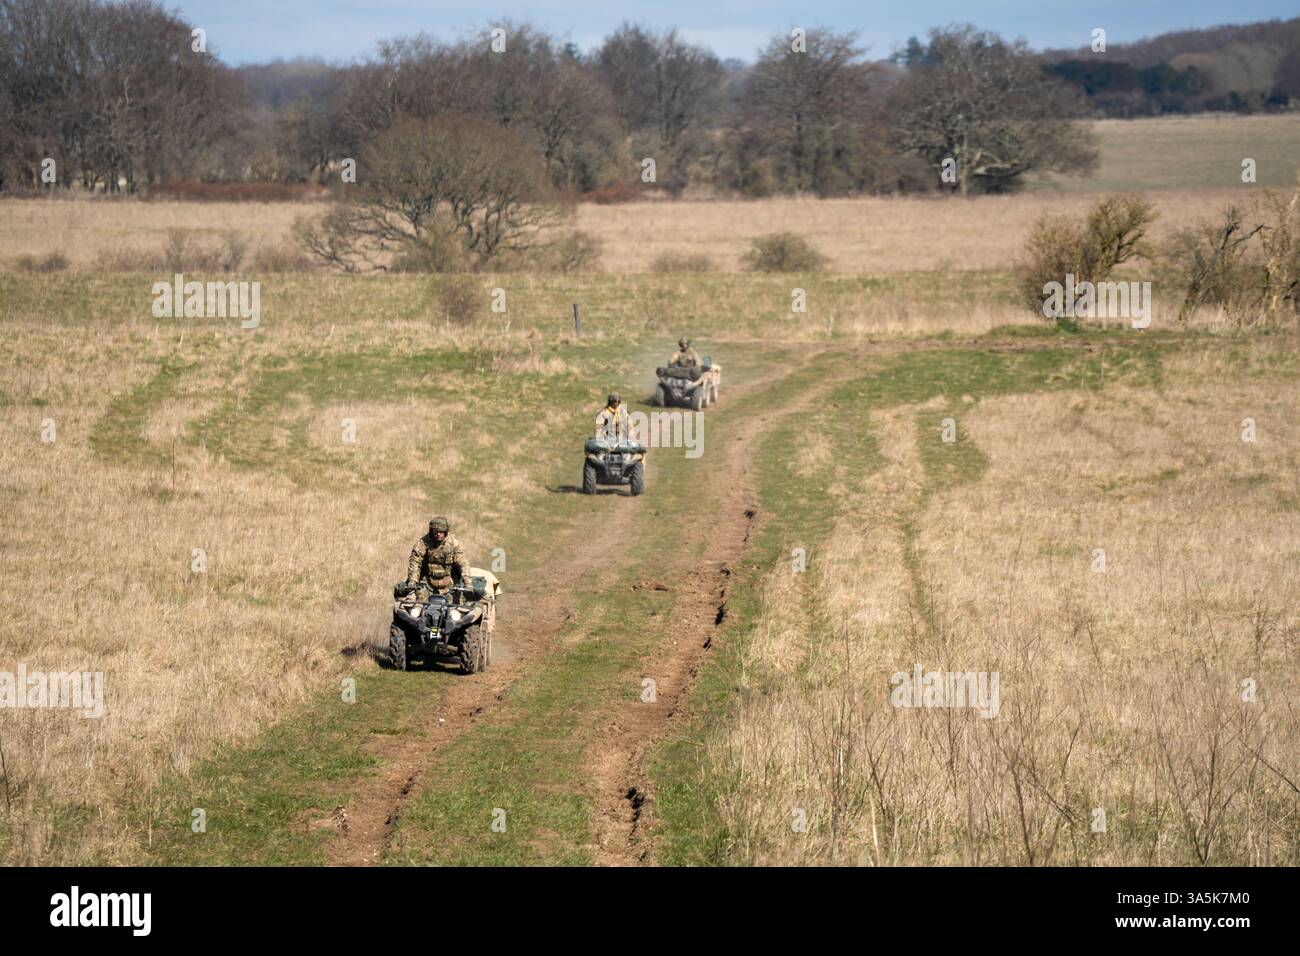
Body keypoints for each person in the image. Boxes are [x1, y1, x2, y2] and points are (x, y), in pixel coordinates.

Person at [405, 516, 470, 596]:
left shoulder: (454, 543)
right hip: (427, 583)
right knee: (412, 601)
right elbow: (415, 562)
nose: (438, 534)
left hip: (450, 584)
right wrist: (412, 581)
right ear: (431, 531)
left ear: (446, 532)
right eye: (435, 531)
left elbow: (462, 562)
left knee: (459, 604)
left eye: (441, 532)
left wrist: (467, 581)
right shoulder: (423, 543)